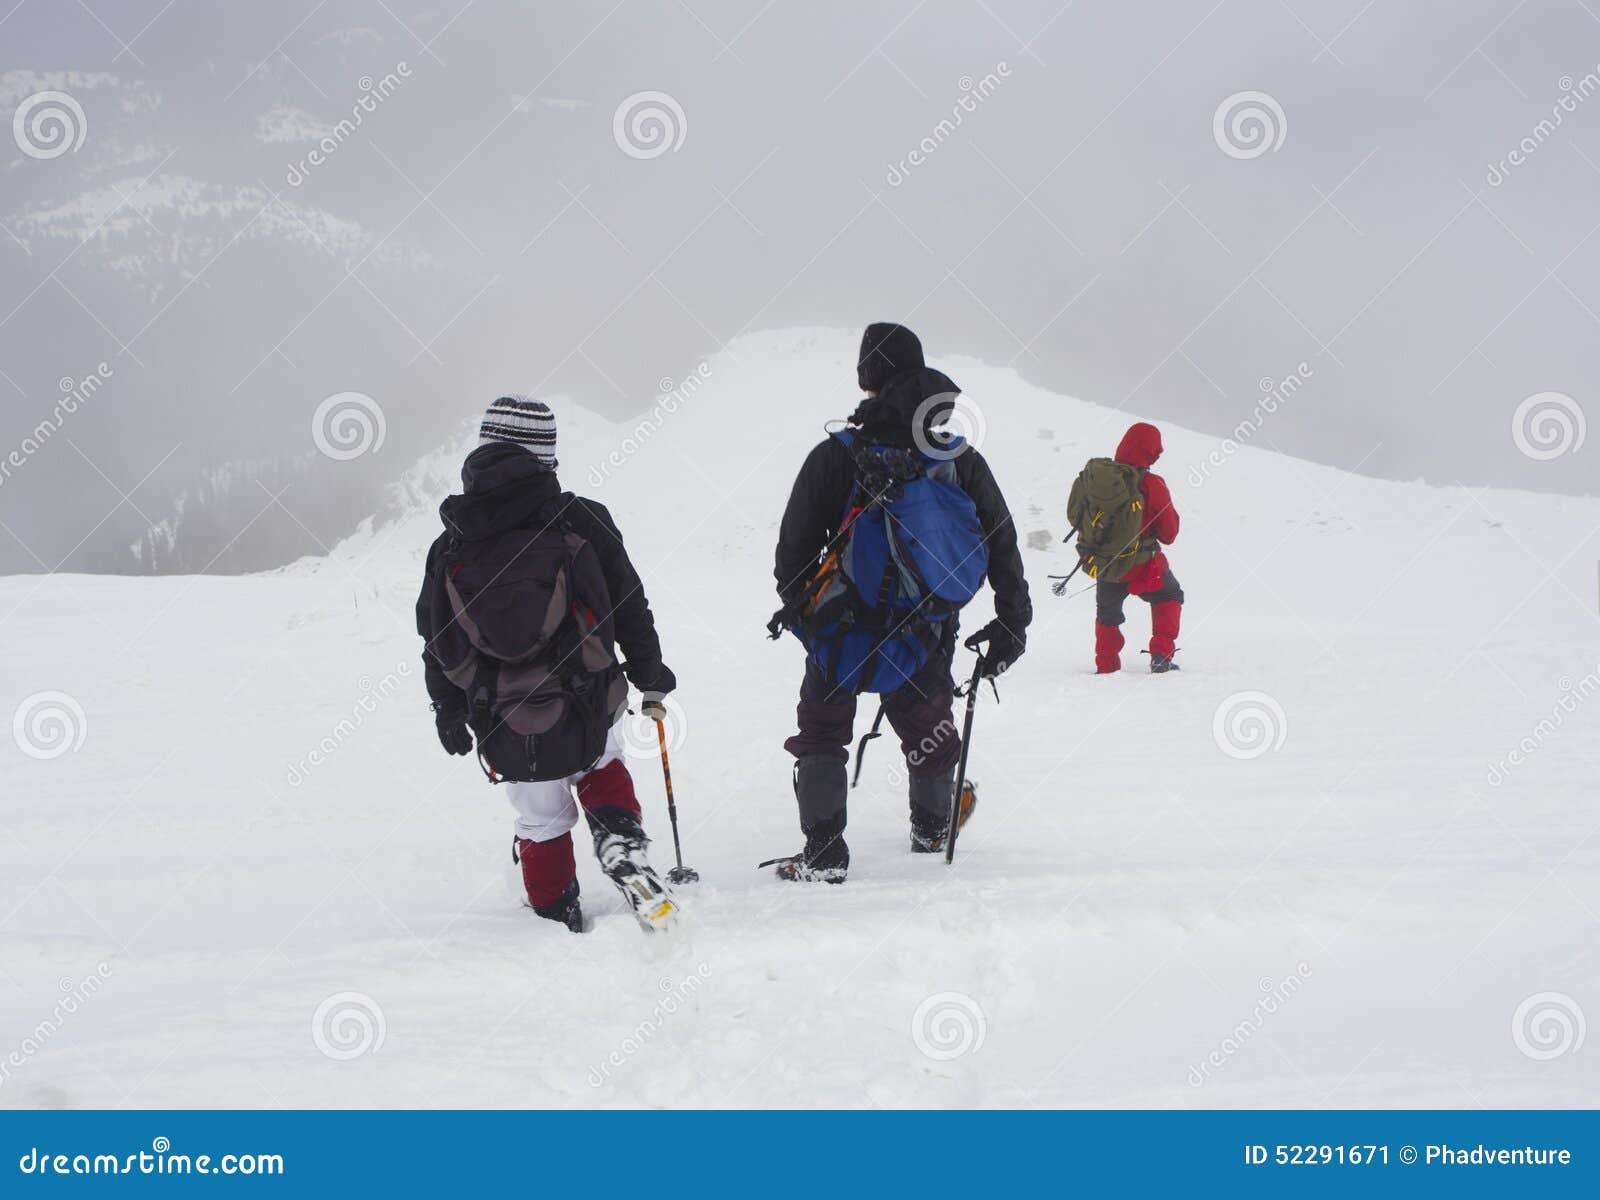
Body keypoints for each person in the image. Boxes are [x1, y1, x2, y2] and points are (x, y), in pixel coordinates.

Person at [767, 323, 1032, 882]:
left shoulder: (836, 454)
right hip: (925, 626)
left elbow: (792, 552)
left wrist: (809, 618)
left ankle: (824, 853)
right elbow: (1001, 541)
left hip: (838, 626)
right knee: (928, 722)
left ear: (868, 381)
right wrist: (1013, 621)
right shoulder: (959, 459)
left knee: (823, 731)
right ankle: (933, 827)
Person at [415, 396, 680, 932]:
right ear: (545, 457)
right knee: (601, 765)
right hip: (589, 692)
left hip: (499, 710)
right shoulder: (581, 518)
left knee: (539, 817)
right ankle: (622, 846)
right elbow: (630, 604)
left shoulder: (452, 539)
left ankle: (555, 915)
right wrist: (650, 673)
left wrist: (446, 707)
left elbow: (435, 635)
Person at [1086, 421, 1183, 674]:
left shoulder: (1099, 478)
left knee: (1106, 613)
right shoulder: (1151, 484)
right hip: (1143, 564)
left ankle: (1106, 665)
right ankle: (1161, 653)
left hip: (1105, 563)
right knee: (1169, 595)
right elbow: (1169, 534)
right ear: (1149, 451)